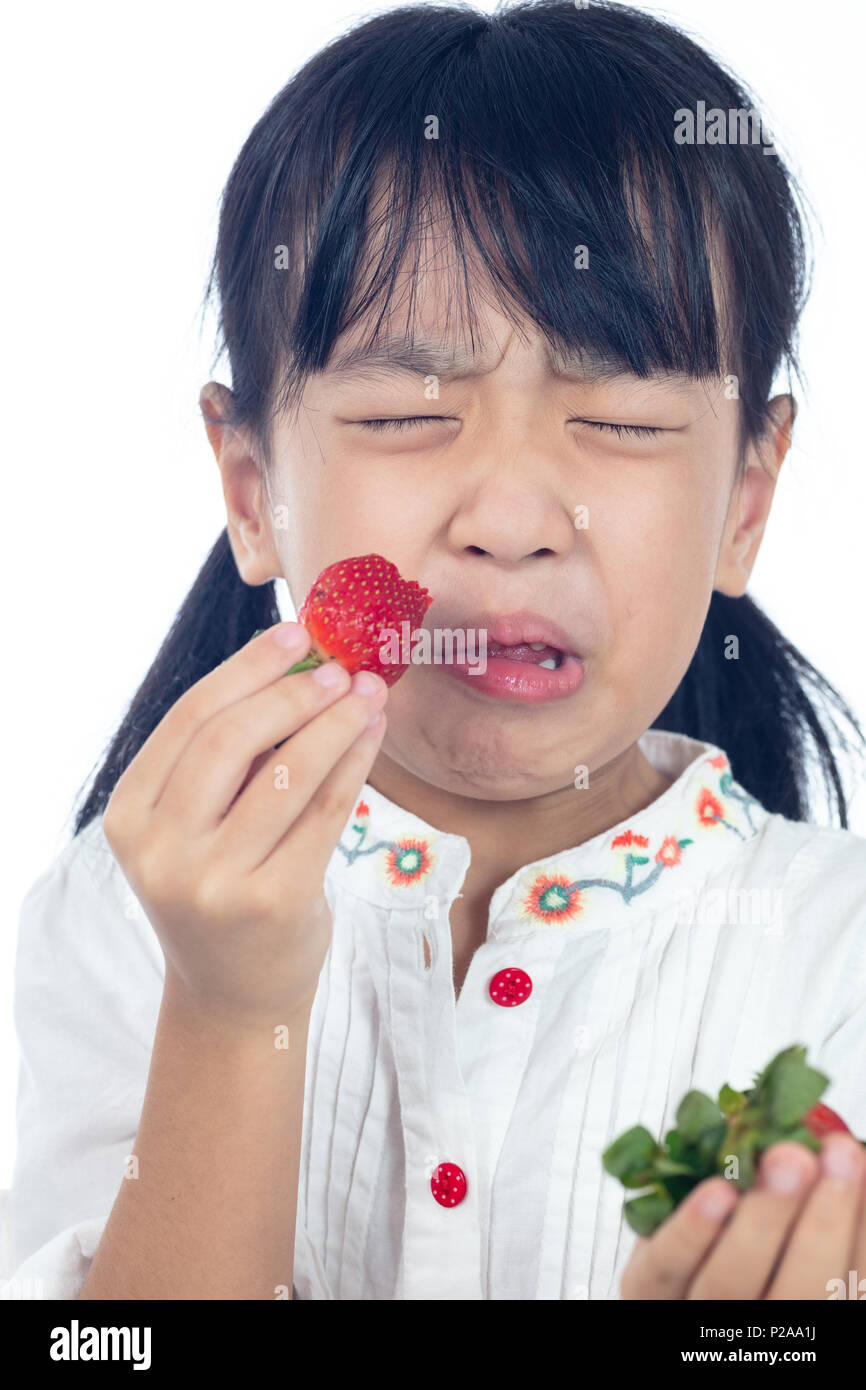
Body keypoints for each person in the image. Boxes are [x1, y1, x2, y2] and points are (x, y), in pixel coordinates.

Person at [5, 0, 866, 1301]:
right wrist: (231, 1011)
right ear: (252, 489)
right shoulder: (132, 915)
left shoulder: (833, 952)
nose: (512, 520)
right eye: (409, 412)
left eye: (624, 419)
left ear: (745, 502)